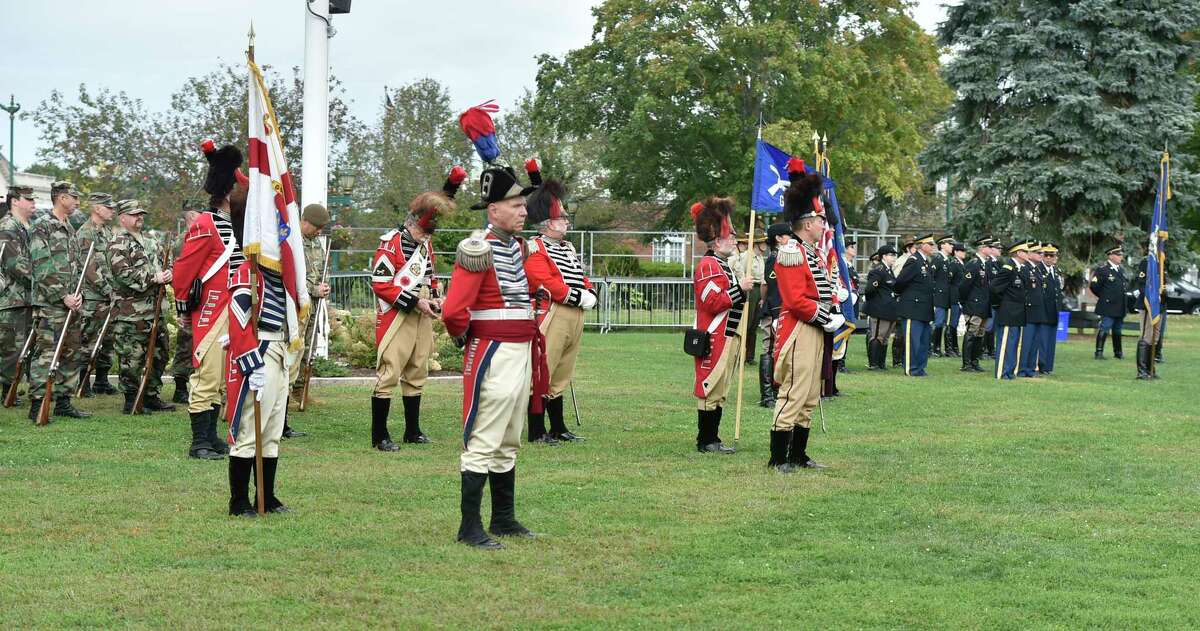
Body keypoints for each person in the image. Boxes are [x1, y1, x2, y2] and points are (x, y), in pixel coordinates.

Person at [441, 163, 542, 549]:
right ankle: (469, 527)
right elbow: (454, 311)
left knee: (510, 436)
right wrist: (465, 337)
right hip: (494, 351)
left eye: (523, 205)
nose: (523, 211)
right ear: (493, 209)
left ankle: (503, 518)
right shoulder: (477, 248)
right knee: (484, 436)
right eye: (515, 205)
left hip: (520, 350)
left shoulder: (517, 246)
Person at [369, 167, 464, 451]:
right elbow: (380, 284)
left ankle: (412, 431)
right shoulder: (391, 245)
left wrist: (435, 298)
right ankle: (379, 436)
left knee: (417, 371)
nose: (426, 236)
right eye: (424, 231)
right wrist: (415, 301)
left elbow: (430, 275)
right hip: (397, 315)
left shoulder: (424, 246)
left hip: (421, 314)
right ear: (411, 224)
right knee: (389, 373)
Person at [173, 141, 246, 461]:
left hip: (234, 308)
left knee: (221, 376)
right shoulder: (206, 223)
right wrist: (183, 306)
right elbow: (185, 268)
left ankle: (212, 436)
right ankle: (199, 442)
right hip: (213, 308)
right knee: (207, 375)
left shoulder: (236, 224)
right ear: (228, 191)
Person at [768, 158, 841, 472]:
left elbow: (820, 292)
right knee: (793, 393)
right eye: (820, 220)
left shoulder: (812, 253)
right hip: (800, 329)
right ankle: (778, 458)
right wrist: (826, 318)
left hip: (815, 329)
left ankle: (798, 455)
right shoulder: (791, 252)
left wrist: (833, 307)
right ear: (808, 223)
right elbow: (796, 300)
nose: (824, 225)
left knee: (810, 395)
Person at [523, 160, 596, 444]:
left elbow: (579, 276)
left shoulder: (567, 247)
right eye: (562, 218)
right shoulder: (534, 247)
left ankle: (557, 427)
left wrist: (590, 292)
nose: (566, 221)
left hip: (574, 314)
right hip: (551, 313)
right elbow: (544, 282)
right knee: (543, 370)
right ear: (548, 223)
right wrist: (579, 296)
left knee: (563, 370)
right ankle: (536, 429)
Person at [690, 197, 752, 455]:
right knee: (710, 387)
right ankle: (706, 439)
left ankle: (713, 437)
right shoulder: (708, 266)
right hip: (715, 337)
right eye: (730, 236)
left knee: (720, 389)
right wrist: (741, 289)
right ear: (716, 241)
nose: (735, 241)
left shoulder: (722, 265)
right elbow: (713, 302)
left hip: (728, 335)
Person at [28, 181, 89, 421]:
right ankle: (38, 403)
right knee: (47, 353)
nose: (77, 202)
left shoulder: (69, 228)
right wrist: (63, 295)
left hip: (72, 303)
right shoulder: (42, 226)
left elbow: (76, 266)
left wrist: (79, 294)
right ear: (62, 198)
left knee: (71, 352)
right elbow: (41, 265)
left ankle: (64, 401)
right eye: (74, 197)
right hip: (50, 304)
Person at [109, 199, 176, 414]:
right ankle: (131, 400)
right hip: (131, 313)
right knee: (132, 357)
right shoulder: (118, 243)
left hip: (155, 310)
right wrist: (154, 278)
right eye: (134, 214)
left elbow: (167, 263)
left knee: (159, 353)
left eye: (141, 214)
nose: (139, 217)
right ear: (122, 218)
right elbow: (123, 274)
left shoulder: (151, 241)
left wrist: (169, 273)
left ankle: (151, 395)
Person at [281, 202, 332, 438]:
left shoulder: (316, 244)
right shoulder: (292, 241)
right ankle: (287, 392)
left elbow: (319, 270)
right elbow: (292, 275)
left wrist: (323, 286)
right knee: (294, 347)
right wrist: (312, 289)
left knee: (307, 347)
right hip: (295, 305)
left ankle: (300, 391)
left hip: (312, 305)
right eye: (317, 227)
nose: (319, 231)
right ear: (305, 221)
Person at [75, 192, 119, 397]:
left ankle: (102, 380)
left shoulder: (107, 231)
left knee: (107, 339)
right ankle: (83, 382)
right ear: (96, 208)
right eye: (108, 207)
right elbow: (89, 268)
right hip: (93, 296)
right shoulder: (86, 233)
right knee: (89, 338)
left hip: (109, 295)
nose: (112, 211)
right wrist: (108, 290)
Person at [0, 186, 36, 403]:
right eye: (28, 199)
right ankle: (7, 391)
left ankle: (11, 390)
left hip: (26, 297)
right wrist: (45, 283)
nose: (33, 203)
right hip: (12, 298)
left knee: (22, 348)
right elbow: (15, 265)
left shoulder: (26, 227)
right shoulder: (8, 227)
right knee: (12, 348)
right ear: (14, 201)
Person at [171, 200, 204, 404]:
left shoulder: (201, 234)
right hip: (189, 296)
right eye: (201, 213)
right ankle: (180, 385)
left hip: (202, 295)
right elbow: (181, 273)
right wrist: (182, 305)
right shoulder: (185, 239)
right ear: (192, 216)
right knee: (186, 341)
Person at [894, 234, 936, 377]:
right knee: (913, 341)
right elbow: (900, 282)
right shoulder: (914, 261)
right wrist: (908, 297)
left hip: (924, 308)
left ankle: (920, 368)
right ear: (922, 245)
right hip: (913, 307)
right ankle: (911, 368)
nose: (933, 247)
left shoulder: (925, 262)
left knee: (923, 341)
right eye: (930, 244)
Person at [758, 223, 790, 407]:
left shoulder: (785, 257)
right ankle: (767, 394)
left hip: (783, 308)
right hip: (774, 309)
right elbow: (769, 286)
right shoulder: (774, 258)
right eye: (787, 235)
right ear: (778, 238)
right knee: (769, 348)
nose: (790, 239)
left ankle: (777, 388)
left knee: (781, 349)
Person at [990, 240, 1028, 380]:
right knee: (1006, 343)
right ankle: (1002, 372)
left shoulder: (1020, 269)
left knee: (1014, 343)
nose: (1028, 254)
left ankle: (1010, 372)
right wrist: (1001, 305)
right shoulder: (1008, 268)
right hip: (1008, 312)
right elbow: (994, 288)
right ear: (1019, 253)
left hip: (1018, 312)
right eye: (1026, 251)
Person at [957, 238, 992, 373]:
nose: (991, 249)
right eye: (989, 246)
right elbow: (964, 286)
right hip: (974, 305)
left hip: (983, 305)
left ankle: (974, 361)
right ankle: (966, 364)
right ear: (982, 248)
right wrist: (966, 302)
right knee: (972, 332)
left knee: (980, 333)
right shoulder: (974, 264)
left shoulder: (985, 264)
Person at [1017, 242, 1052, 378]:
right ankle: (1021, 369)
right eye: (1038, 253)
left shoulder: (1037, 270)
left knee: (1035, 342)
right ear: (1029, 254)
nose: (1041, 255)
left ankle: (1031, 369)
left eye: (1042, 253)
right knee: (1026, 342)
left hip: (1038, 311)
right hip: (1028, 310)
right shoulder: (1024, 269)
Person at [1089, 245, 1127, 360]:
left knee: (1117, 330)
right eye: (1118, 255)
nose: (1121, 257)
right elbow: (1094, 286)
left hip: (1119, 305)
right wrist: (1104, 297)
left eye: (1121, 255)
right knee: (1105, 327)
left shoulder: (1120, 270)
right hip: (1108, 305)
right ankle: (1099, 352)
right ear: (1111, 256)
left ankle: (1118, 352)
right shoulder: (1103, 270)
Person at [863, 244, 898, 370]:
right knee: (877, 335)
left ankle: (881, 363)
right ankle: (874, 364)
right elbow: (869, 290)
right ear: (884, 256)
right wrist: (877, 303)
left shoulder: (889, 270)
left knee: (884, 338)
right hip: (879, 309)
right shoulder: (879, 270)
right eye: (891, 255)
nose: (894, 258)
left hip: (888, 309)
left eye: (894, 255)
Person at [1133, 250, 1166, 379]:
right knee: (1146, 336)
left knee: (1155, 337)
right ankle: (1142, 371)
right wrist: (1152, 298)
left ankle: (1150, 368)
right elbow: (1142, 284)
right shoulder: (1146, 262)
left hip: (1159, 306)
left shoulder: (1161, 263)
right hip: (1147, 304)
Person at [1037, 242, 1063, 375]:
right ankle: (1041, 365)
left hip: (1053, 311)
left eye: (1051, 256)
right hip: (1043, 311)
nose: (1049, 258)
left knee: (1051, 341)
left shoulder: (1056, 271)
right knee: (1042, 340)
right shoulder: (1038, 270)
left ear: (1056, 257)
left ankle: (1048, 366)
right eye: (1046, 255)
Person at [890, 236, 915, 367]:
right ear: (908, 248)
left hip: (909, 299)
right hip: (901, 299)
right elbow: (897, 281)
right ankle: (897, 359)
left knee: (907, 331)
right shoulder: (901, 261)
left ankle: (904, 357)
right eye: (914, 247)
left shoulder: (913, 260)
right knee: (900, 331)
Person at [930, 235, 954, 358]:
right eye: (950, 244)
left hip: (945, 297)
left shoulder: (946, 260)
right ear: (943, 245)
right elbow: (931, 277)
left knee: (942, 323)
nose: (952, 246)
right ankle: (932, 348)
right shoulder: (937, 259)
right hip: (938, 297)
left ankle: (937, 348)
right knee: (937, 323)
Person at [945, 241, 967, 357]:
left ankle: (955, 348)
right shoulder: (954, 264)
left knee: (956, 323)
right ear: (956, 252)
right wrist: (952, 297)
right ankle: (950, 348)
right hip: (954, 298)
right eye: (962, 251)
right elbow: (949, 281)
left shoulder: (961, 264)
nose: (964, 253)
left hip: (959, 297)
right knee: (952, 323)